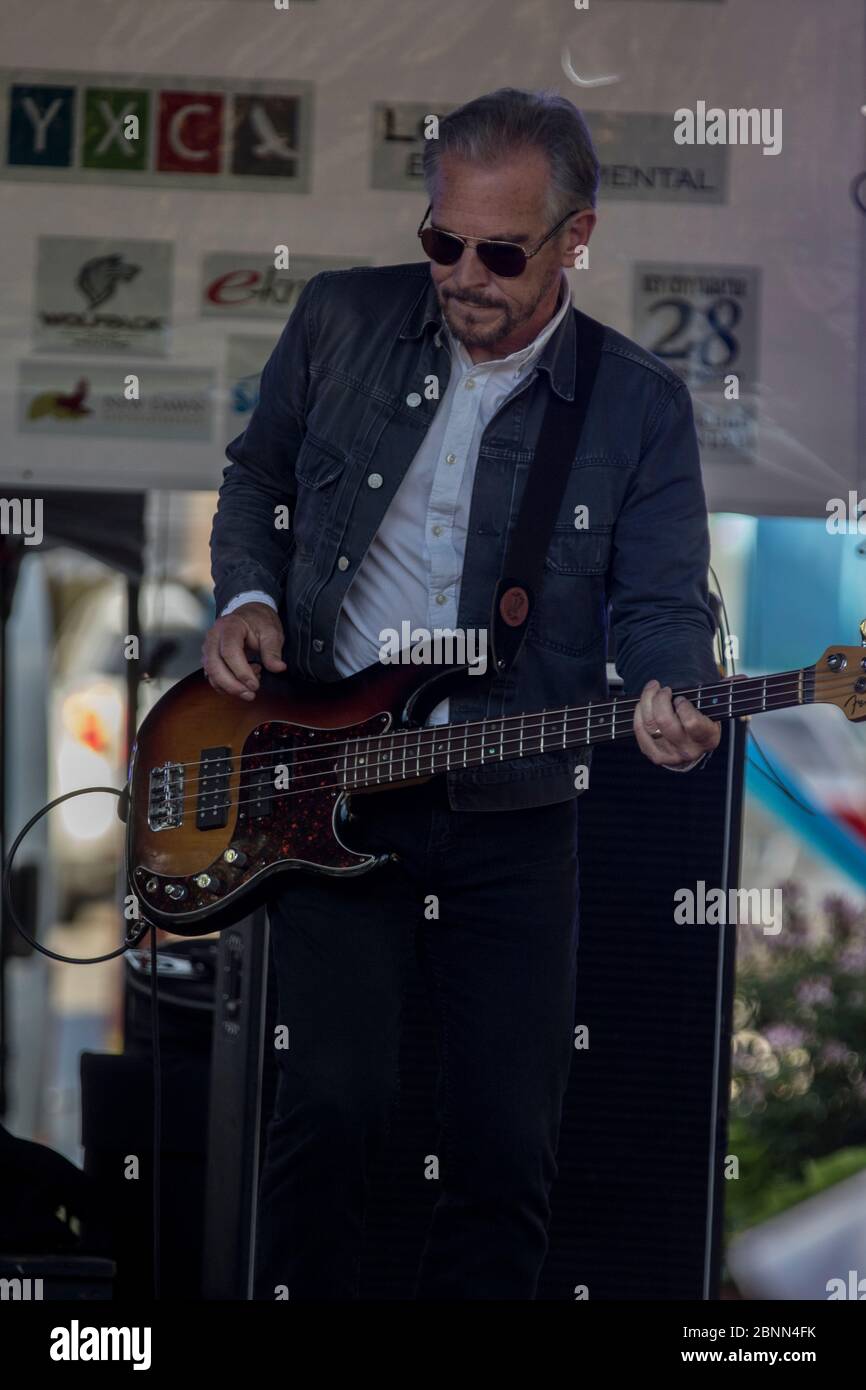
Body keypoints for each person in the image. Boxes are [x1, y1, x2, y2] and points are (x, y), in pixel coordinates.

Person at [205, 88, 723, 1301]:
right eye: (442, 241)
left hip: (513, 801)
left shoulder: (636, 404)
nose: (462, 276)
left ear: (574, 238)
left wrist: (671, 693)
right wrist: (244, 599)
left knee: (502, 1140)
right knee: (327, 1107)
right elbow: (256, 477)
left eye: (500, 252)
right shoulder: (341, 316)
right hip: (333, 783)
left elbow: (659, 606)